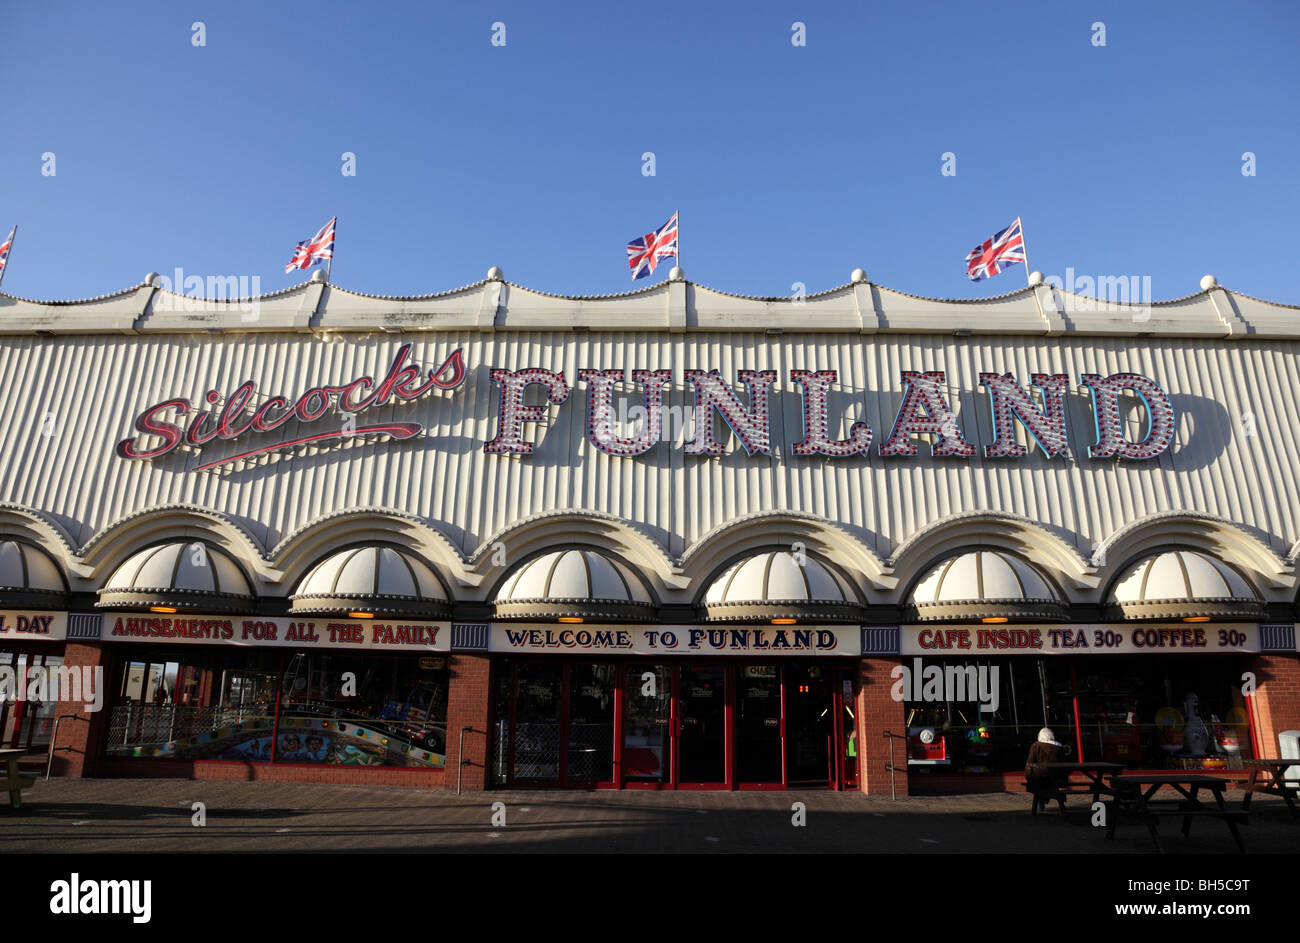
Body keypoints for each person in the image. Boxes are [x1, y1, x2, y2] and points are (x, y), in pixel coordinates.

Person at [1025, 727, 1065, 812]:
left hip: (1040, 777)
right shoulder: (1059, 746)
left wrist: (1028, 776)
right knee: (1047, 782)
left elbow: (1029, 763)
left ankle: (1041, 800)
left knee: (1039, 782)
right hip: (1056, 777)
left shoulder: (1036, 746)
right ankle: (1043, 799)